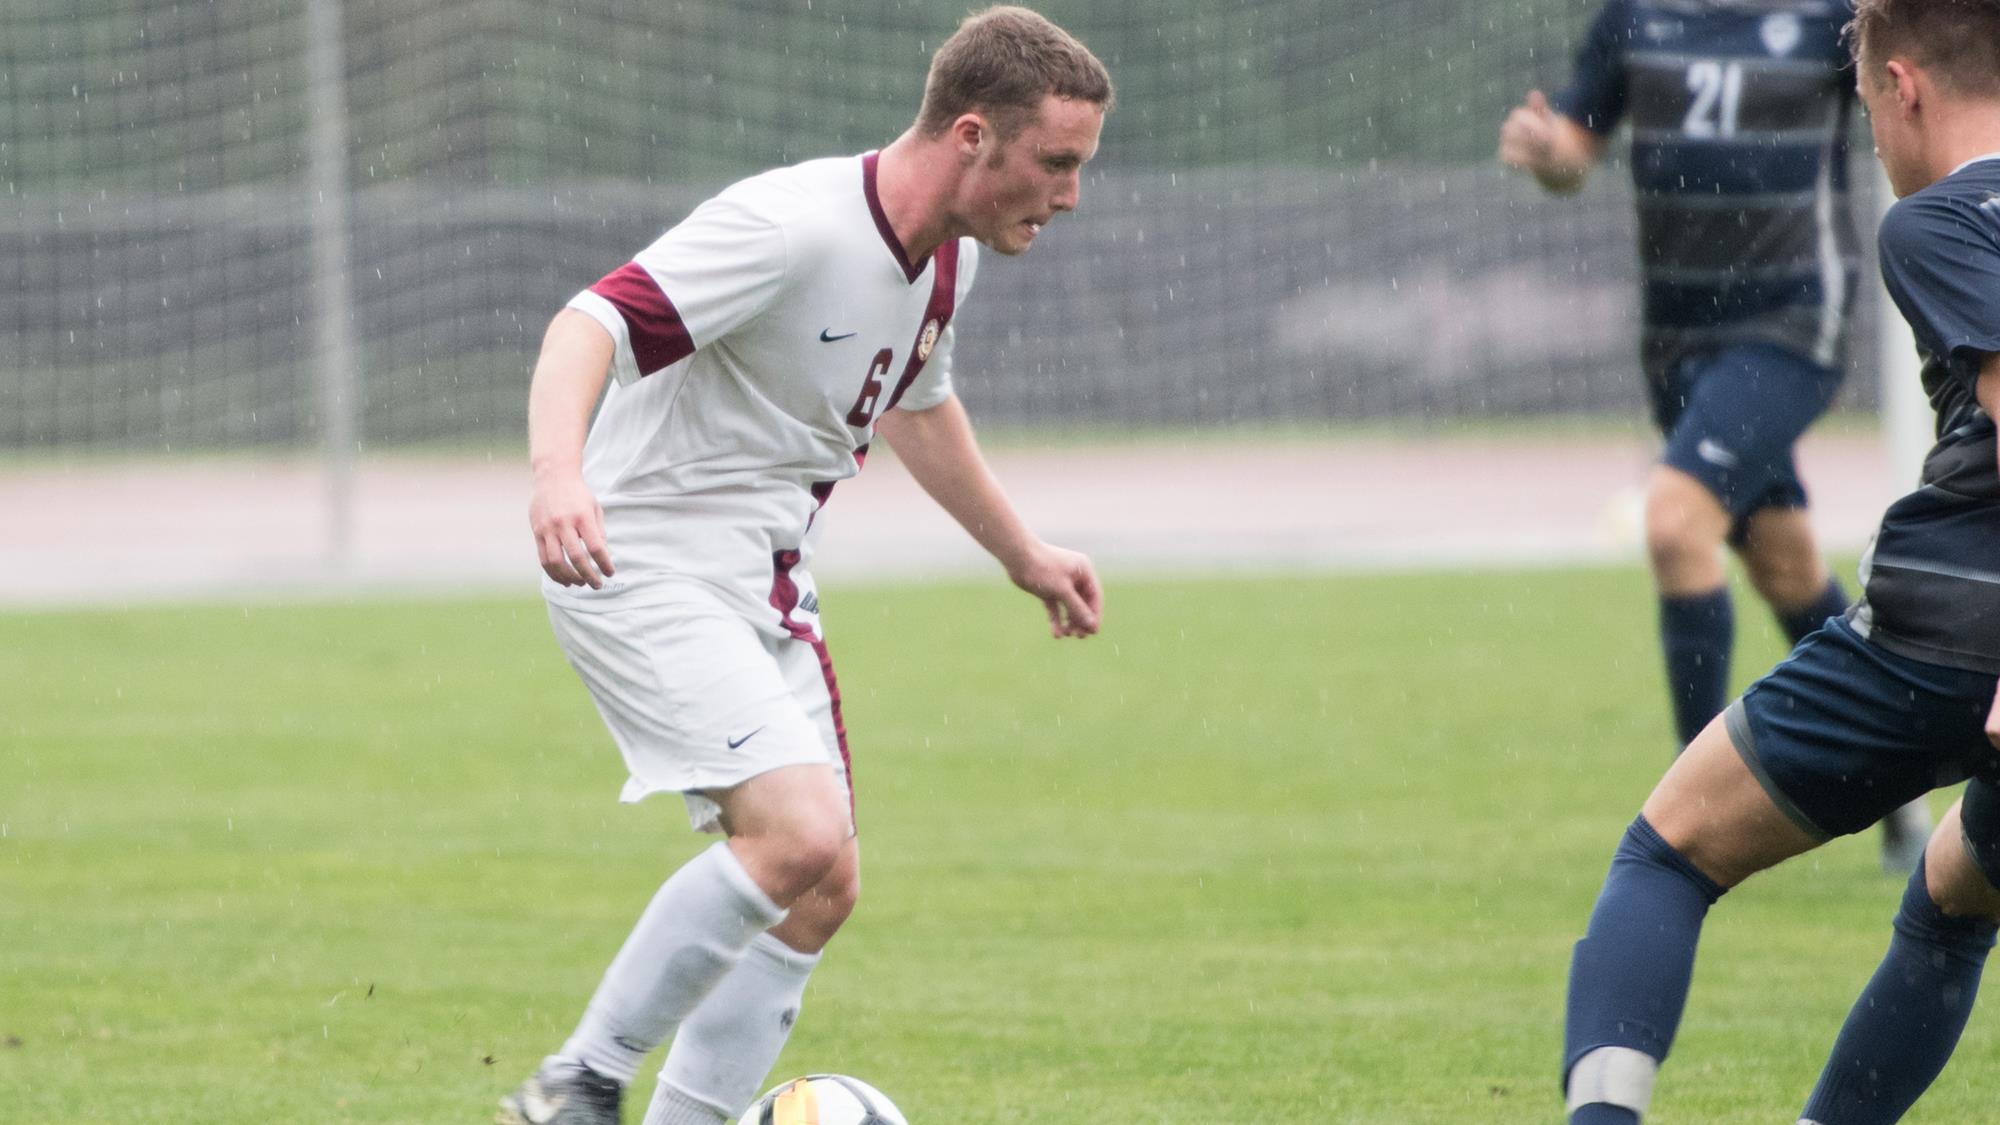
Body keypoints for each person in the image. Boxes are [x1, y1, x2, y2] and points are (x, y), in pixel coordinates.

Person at [498, 9, 1112, 1124]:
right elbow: (585, 324)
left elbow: (917, 408)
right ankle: (576, 1083)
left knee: (819, 888)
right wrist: (555, 474)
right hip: (638, 560)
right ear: (973, 136)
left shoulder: (947, 264)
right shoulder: (790, 225)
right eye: (1056, 164)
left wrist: (1023, 553)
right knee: (795, 835)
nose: (1069, 195)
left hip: (766, 585)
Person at [1559, 1, 2000, 1120]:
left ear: (1900, 87)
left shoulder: (1946, 220)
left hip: (1949, 630)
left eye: (1863, 108)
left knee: (1664, 854)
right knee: (1950, 899)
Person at [1498, 0, 1931, 870]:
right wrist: (1550, 155)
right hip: (1676, 341)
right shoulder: (1636, 17)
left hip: (1791, 321)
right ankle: (1903, 778)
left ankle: (1692, 821)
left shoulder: (1830, 18)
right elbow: (1575, 153)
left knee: (1673, 522)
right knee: (1783, 564)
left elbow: (1923, 98)